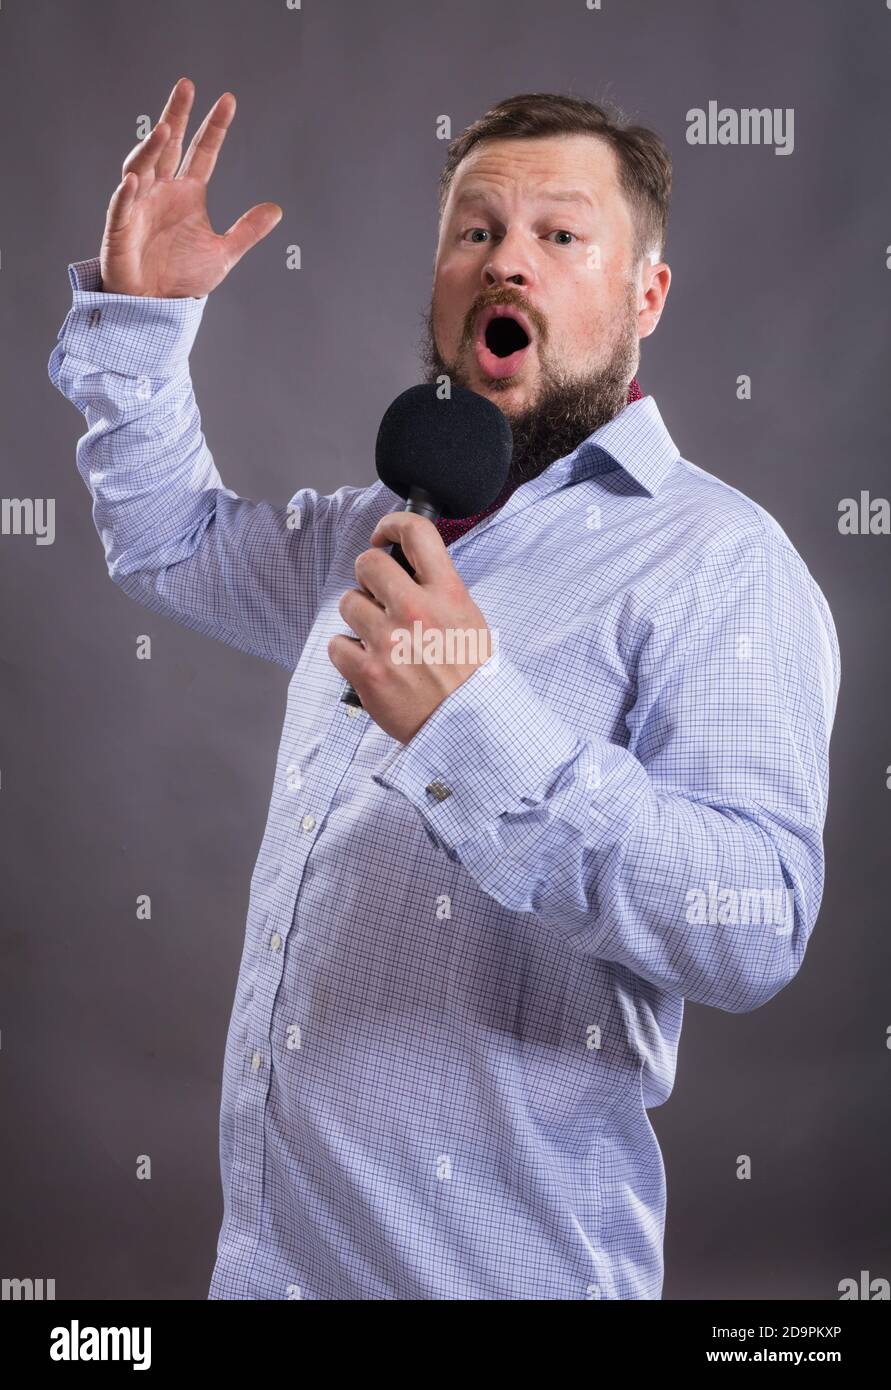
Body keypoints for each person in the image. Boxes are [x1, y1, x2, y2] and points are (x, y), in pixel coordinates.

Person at [48, 77, 840, 1300]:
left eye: (560, 235)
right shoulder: (380, 526)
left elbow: (757, 925)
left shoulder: (722, 564)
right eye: (475, 231)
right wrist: (144, 328)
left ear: (647, 295)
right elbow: (170, 540)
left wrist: (476, 721)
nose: (505, 262)